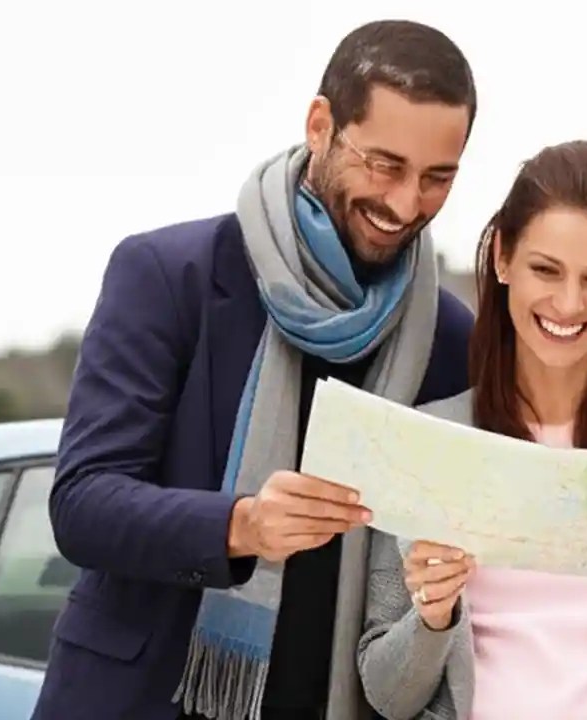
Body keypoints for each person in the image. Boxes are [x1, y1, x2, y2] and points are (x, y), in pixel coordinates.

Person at [32, 20, 479, 720]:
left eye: (437, 178)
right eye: (385, 165)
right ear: (320, 125)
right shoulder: (169, 277)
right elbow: (82, 504)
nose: (404, 204)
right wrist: (242, 526)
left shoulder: (451, 339)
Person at [356, 140, 587, 719]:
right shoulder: (432, 442)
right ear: (503, 258)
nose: (567, 303)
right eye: (546, 269)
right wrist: (433, 617)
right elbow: (385, 694)